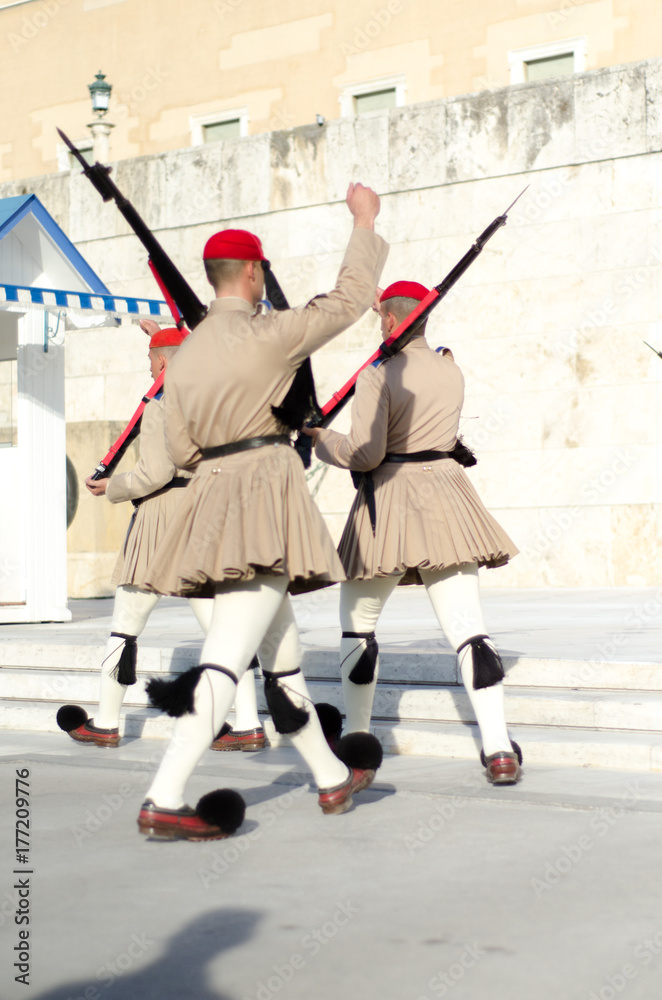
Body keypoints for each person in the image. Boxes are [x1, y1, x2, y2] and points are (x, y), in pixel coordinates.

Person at [138, 182, 388, 841]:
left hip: (211, 500)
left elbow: (181, 451)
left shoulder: (182, 357)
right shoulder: (273, 333)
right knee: (226, 657)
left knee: (282, 661)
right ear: (253, 272)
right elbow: (352, 300)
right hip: (263, 499)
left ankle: (331, 779)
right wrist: (364, 222)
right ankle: (164, 795)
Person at [305, 280, 522, 785]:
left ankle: (358, 742)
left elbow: (366, 455)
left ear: (387, 321)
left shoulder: (377, 376)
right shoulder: (451, 368)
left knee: (358, 627)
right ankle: (498, 748)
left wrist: (322, 441)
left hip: (391, 499)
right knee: (470, 629)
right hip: (447, 494)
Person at [56, 322, 265, 753]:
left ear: (165, 361)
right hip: (202, 511)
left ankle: (108, 723)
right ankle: (248, 724)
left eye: (151, 361)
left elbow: (155, 473)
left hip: (161, 516)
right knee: (225, 628)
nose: (147, 369)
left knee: (124, 628)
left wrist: (112, 487)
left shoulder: (162, 403)